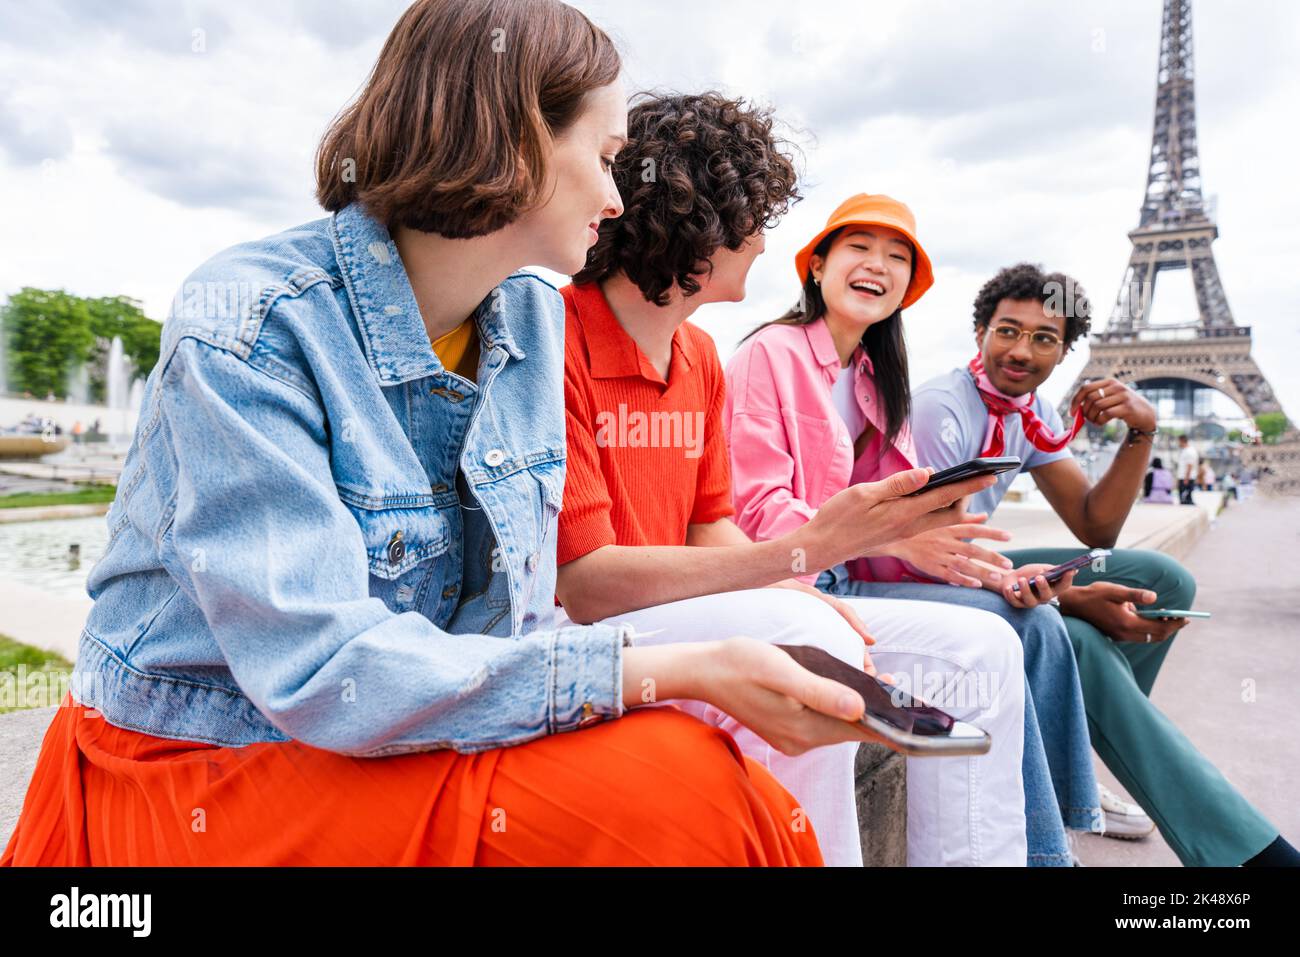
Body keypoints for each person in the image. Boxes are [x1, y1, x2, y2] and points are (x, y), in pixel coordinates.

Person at [1, 0, 827, 868]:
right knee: (678, 795)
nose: (617, 197)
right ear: (515, 139)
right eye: (607, 157)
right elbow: (322, 668)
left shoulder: (530, 325)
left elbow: (500, 628)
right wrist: (667, 669)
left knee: (703, 779)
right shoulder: (252, 322)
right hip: (205, 762)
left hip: (386, 739)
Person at [556, 95, 1028, 866]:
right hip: (595, 630)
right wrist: (801, 559)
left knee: (983, 650)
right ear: (702, 227)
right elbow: (583, 586)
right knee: (809, 639)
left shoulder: (702, 358)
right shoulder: (560, 340)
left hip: (687, 607)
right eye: (755, 219)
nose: (769, 241)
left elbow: (714, 524)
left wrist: (801, 581)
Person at [724, 194, 1098, 866]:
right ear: (816, 267)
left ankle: (1057, 837)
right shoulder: (770, 354)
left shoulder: (876, 379)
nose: (878, 265)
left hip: (850, 586)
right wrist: (885, 538)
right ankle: (1051, 850)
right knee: (994, 642)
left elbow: (908, 530)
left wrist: (986, 570)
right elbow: (756, 515)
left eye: (897, 257)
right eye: (859, 248)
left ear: (908, 290)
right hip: (794, 590)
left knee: (1025, 619)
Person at [906, 261, 1300, 867]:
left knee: (1165, 580)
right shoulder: (942, 409)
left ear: (1065, 353)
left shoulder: (1032, 414)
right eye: (1007, 330)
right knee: (1079, 637)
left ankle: (1091, 751)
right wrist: (1065, 598)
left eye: (1044, 338)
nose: (1021, 350)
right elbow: (938, 553)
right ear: (979, 332)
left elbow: (1096, 527)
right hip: (912, 572)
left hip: (969, 557)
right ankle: (1243, 855)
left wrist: (1142, 433)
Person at [1176, 435, 1199, 504]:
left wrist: (1186, 478)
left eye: (1178, 441)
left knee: (1185, 498)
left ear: (1182, 441)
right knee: (1183, 497)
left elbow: (1190, 465)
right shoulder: (1184, 450)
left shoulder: (1190, 451)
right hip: (1184, 477)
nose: (1178, 443)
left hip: (1187, 477)